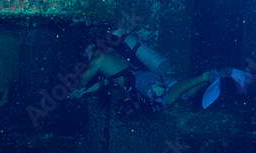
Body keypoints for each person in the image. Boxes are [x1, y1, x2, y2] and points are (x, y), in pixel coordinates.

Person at [68, 45, 217, 112]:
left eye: (85, 52)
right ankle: (207, 81)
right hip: (144, 76)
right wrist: (85, 92)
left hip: (140, 81)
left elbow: (86, 76)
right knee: (182, 93)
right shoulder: (107, 55)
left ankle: (203, 76)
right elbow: (107, 82)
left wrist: (78, 89)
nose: (86, 56)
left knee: (167, 98)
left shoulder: (96, 59)